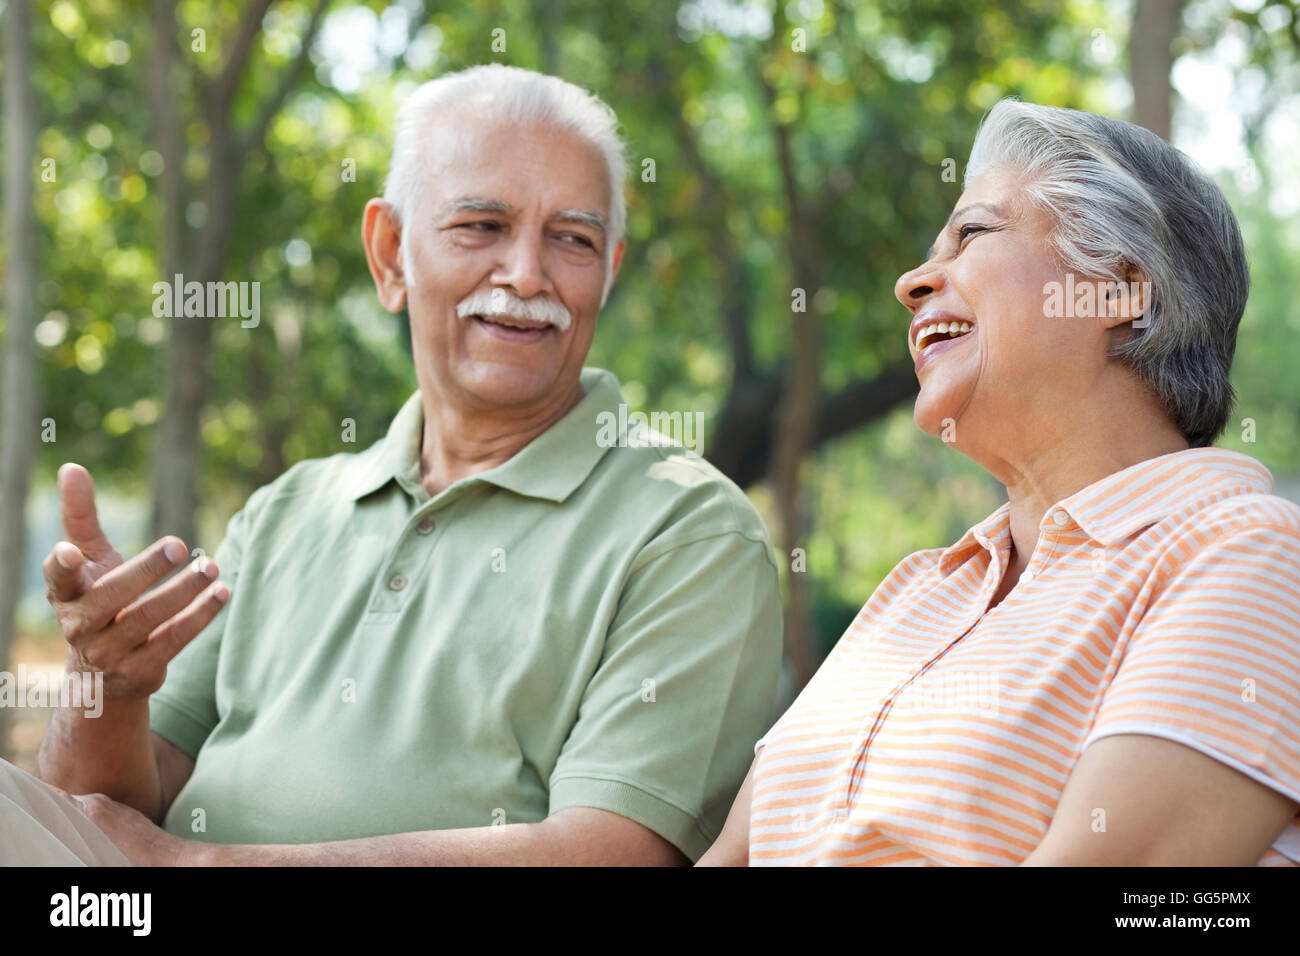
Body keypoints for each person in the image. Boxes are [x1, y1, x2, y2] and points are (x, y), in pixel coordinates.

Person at [19, 64, 782, 866]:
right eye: (481, 226)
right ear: (389, 255)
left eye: (573, 239)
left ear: (610, 270)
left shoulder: (689, 532)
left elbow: (609, 854)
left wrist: (202, 866)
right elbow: (96, 818)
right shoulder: (287, 511)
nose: (527, 274)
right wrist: (103, 682)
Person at [699, 99, 1300, 866]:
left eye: (971, 234)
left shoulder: (1248, 555)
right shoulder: (914, 590)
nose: (911, 282)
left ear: (1116, 285)